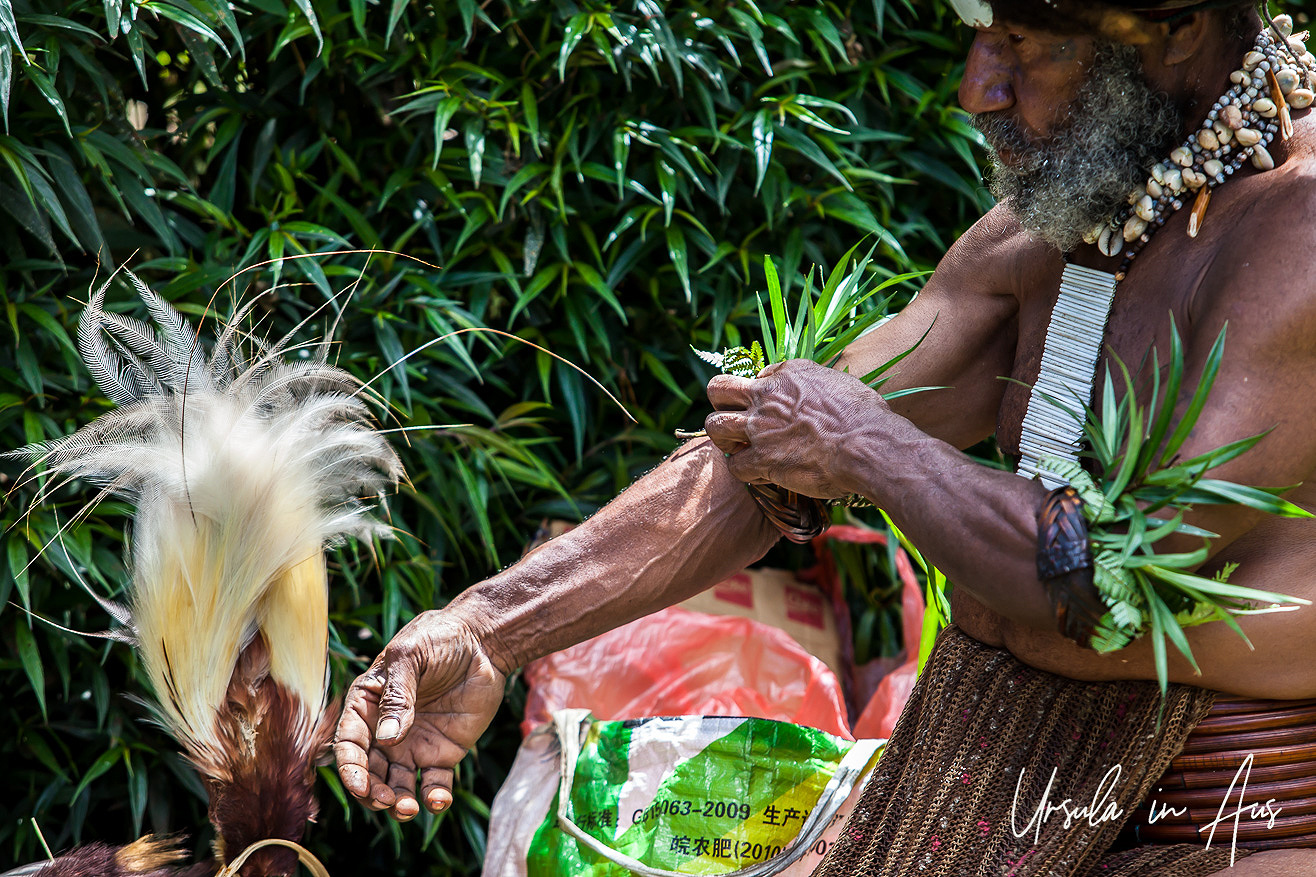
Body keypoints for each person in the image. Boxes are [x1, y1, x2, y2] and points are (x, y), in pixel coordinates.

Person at [334, 1, 1316, 873]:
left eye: (1019, 38)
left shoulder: (1295, 233)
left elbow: (1106, 577)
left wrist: (871, 449)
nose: (978, 86)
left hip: (1233, 831)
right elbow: (770, 454)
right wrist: (484, 626)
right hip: (968, 803)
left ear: (1178, 25)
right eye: (976, 34)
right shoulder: (1045, 244)